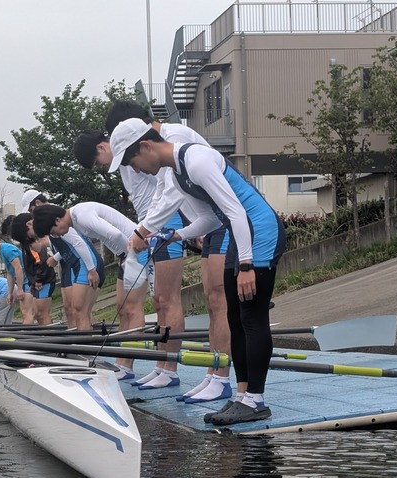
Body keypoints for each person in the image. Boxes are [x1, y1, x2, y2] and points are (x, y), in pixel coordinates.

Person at [109, 118, 286, 425]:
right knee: (235, 318)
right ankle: (241, 397)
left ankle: (256, 399)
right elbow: (211, 220)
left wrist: (245, 264)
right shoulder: (177, 174)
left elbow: (236, 211)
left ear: (146, 146)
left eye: (131, 161)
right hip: (240, 235)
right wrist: (178, 235)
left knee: (252, 317)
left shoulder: (197, 159)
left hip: (261, 232)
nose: (134, 169)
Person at [103, 101, 233, 402]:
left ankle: (220, 376)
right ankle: (213, 373)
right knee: (211, 302)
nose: (134, 166)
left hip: (224, 220)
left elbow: (172, 194)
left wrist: (144, 231)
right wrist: (191, 228)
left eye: (132, 156)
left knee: (218, 300)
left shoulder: (176, 137)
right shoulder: (162, 149)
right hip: (209, 222)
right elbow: (169, 190)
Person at [74, 128, 183, 390]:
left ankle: (170, 368)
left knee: (168, 301)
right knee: (158, 303)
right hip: (148, 229)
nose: (102, 167)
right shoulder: (125, 164)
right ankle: (161, 366)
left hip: (161, 226)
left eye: (97, 162)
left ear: (102, 147)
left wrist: (144, 232)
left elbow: (168, 189)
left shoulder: (139, 154)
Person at [31, 201, 151, 382]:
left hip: (136, 251)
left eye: (52, 231)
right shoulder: (76, 219)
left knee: (132, 308)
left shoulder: (82, 215)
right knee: (122, 308)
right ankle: (122, 364)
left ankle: (127, 365)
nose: (55, 236)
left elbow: (116, 234)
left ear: (57, 221)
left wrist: (130, 257)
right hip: (126, 254)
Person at [22, 191, 105, 330]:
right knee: (74, 310)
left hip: (83, 264)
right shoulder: (48, 220)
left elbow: (78, 243)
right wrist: (55, 257)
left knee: (79, 311)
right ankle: (77, 345)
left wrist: (91, 269)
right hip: (74, 264)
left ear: (37, 203)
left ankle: (84, 348)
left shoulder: (55, 216)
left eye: (31, 211)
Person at [10, 213, 56, 325]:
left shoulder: (34, 240)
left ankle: (48, 339)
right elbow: (29, 265)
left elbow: (41, 260)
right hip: (35, 282)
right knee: (38, 315)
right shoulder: (26, 243)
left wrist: (38, 280)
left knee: (42, 314)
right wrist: (32, 283)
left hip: (44, 280)